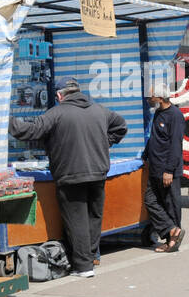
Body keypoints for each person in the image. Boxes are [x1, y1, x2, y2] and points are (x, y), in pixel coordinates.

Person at [9, 77, 127, 278]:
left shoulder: (56, 113)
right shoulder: (100, 110)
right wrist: (105, 143)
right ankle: (90, 258)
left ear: (59, 95)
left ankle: (83, 266)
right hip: (98, 172)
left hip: (71, 175)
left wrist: (5, 118)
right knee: (93, 217)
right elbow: (121, 126)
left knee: (77, 220)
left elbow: (28, 131)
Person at [142, 81, 186, 252]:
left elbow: (176, 145)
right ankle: (171, 230)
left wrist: (169, 170)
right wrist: (145, 155)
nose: (149, 98)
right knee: (151, 200)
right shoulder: (158, 113)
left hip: (167, 171)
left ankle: (172, 242)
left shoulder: (175, 115)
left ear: (160, 97)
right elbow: (154, 138)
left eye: (151, 95)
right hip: (154, 167)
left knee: (171, 205)